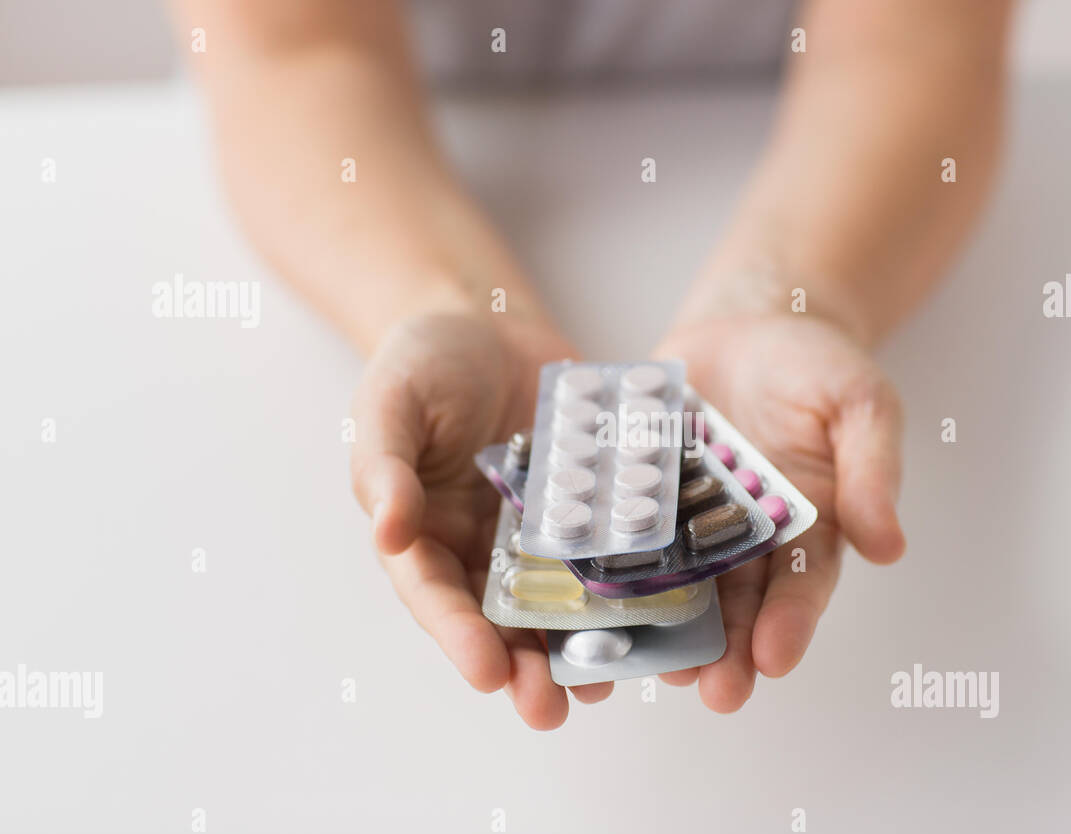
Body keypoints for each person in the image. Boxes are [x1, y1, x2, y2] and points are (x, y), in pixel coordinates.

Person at [170, 0, 1015, 728]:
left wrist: (793, 295)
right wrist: (439, 301)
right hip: (406, 145)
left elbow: (918, 38)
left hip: (789, 137)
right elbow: (296, 48)